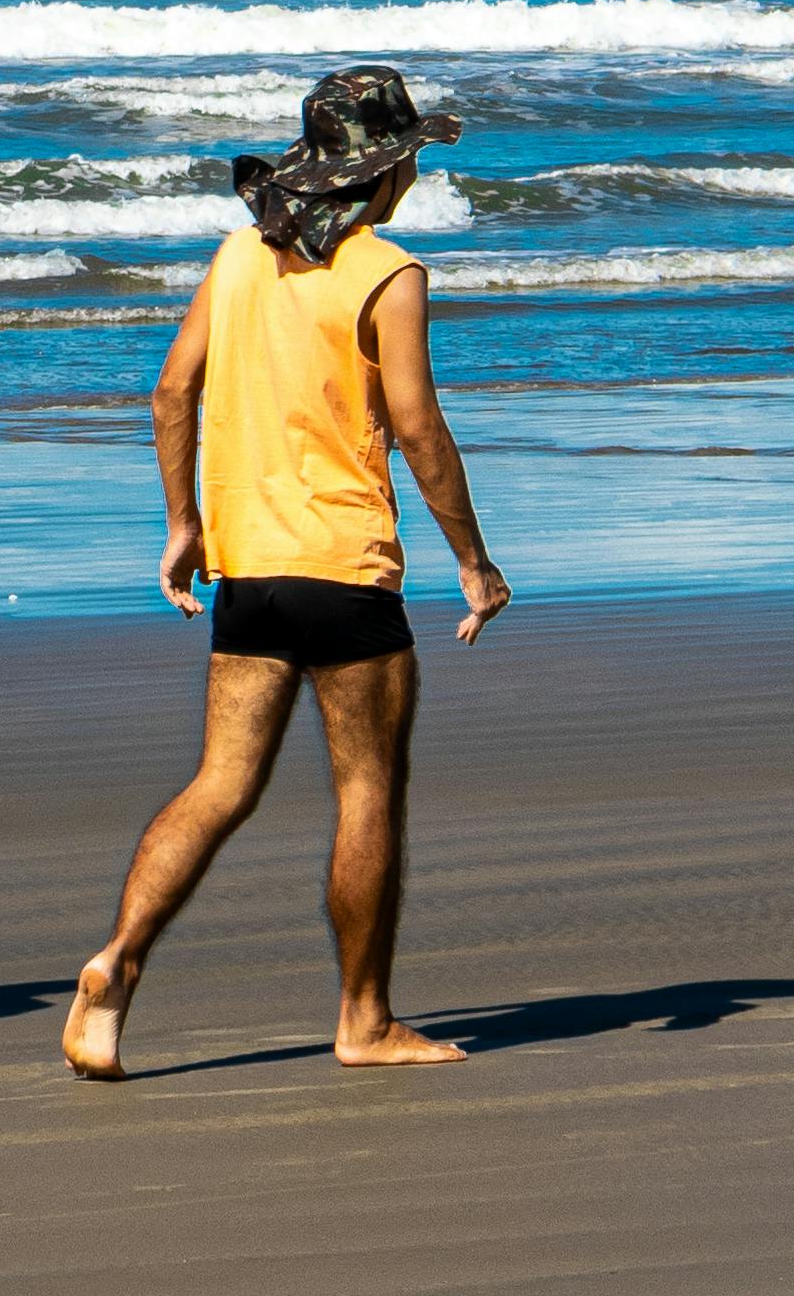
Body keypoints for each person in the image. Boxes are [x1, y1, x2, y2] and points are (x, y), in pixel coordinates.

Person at [63, 63, 510, 1079]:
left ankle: (116, 966)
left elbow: (170, 393)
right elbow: (418, 429)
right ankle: (363, 1020)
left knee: (220, 783)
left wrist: (185, 525)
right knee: (366, 793)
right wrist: (475, 564)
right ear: (386, 172)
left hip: (249, 573)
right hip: (345, 571)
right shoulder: (385, 274)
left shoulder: (235, 259)